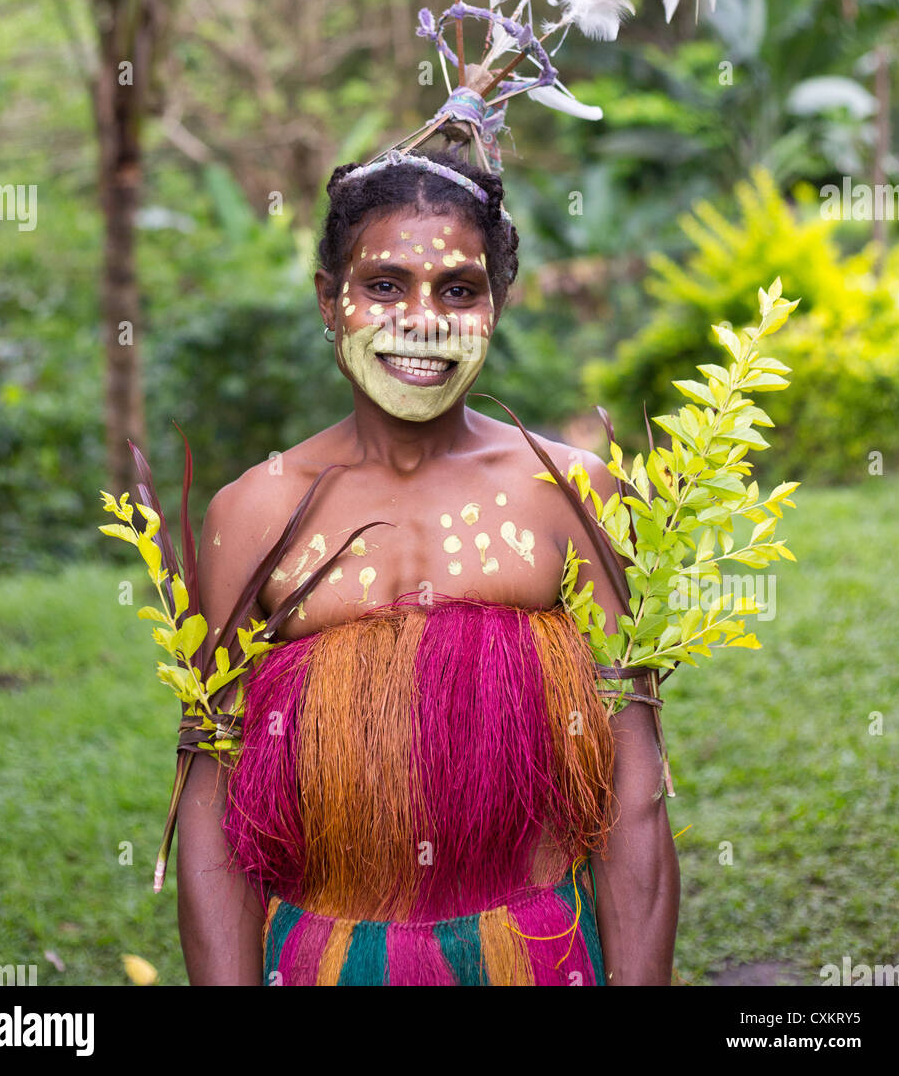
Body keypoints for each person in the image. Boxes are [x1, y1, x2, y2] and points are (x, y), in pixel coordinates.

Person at [175, 139, 680, 986]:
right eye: (384, 285)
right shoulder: (254, 512)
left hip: (540, 949)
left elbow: (635, 791)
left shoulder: (568, 492)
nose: (423, 318)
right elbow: (210, 805)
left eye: (459, 289)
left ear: (499, 302)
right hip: (328, 955)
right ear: (328, 302)